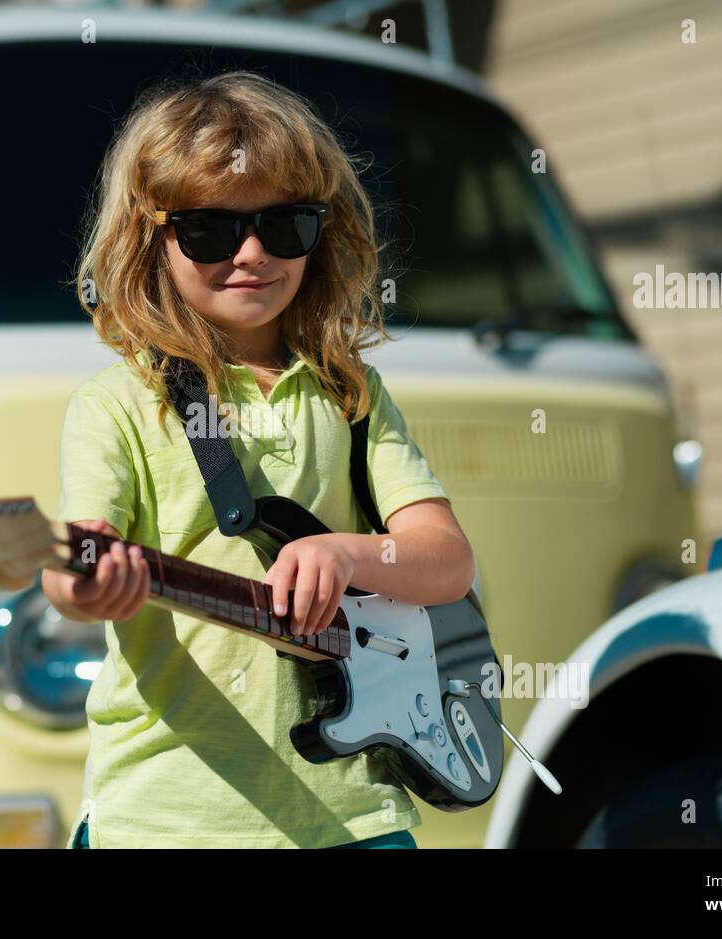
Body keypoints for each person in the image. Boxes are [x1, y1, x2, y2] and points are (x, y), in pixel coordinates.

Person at [42, 71, 476, 849]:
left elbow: (446, 563)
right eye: (209, 230)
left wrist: (344, 553)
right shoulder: (116, 404)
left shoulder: (352, 392)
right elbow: (75, 556)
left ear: (324, 231)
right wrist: (85, 582)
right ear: (152, 238)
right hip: (167, 818)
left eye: (285, 225)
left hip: (353, 815)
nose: (250, 253)